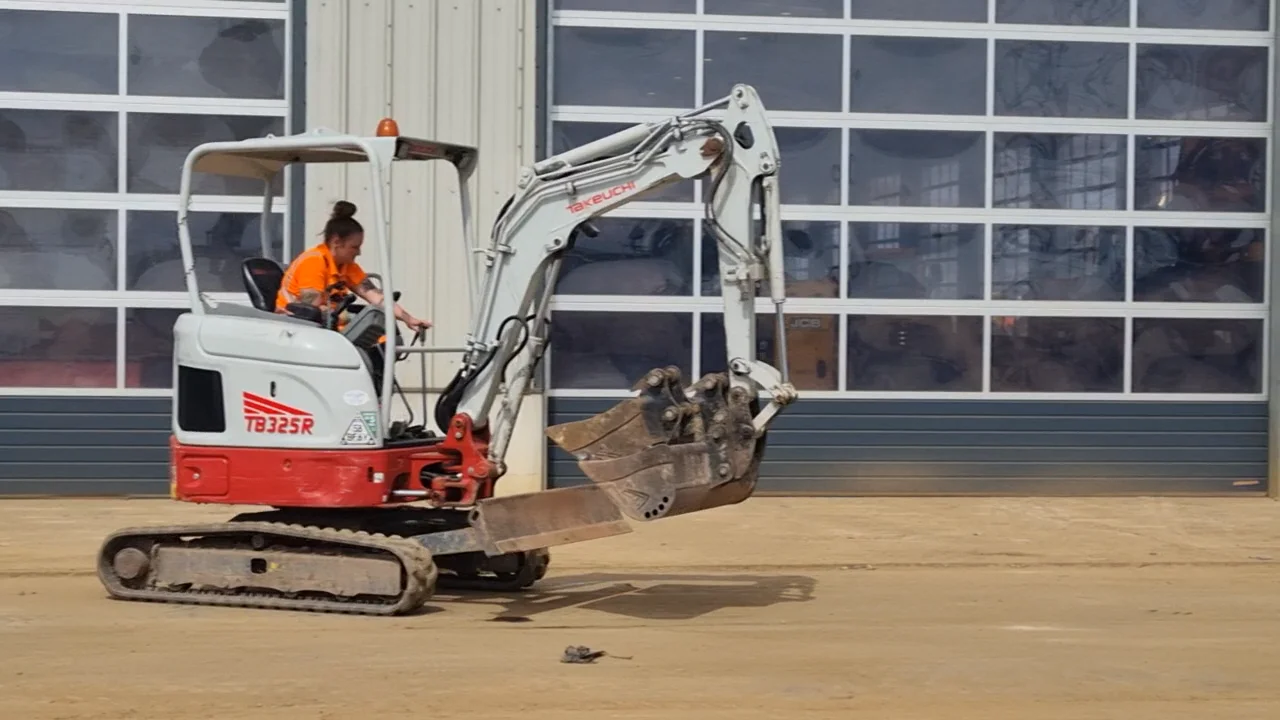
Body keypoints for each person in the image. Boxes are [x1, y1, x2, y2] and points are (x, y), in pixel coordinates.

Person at [276, 200, 431, 334]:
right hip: (296, 326)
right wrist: (350, 316)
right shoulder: (313, 262)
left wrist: (409, 319)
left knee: (381, 339)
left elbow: (377, 297)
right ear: (336, 242)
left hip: (329, 326)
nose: (359, 252)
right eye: (354, 247)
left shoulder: (347, 266)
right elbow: (311, 309)